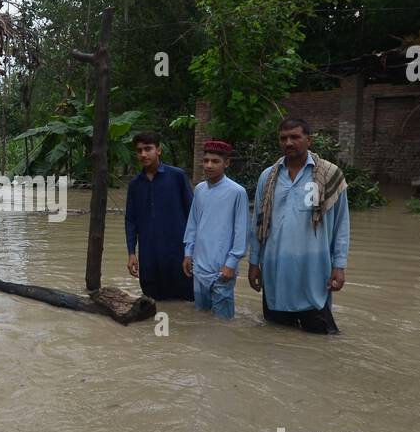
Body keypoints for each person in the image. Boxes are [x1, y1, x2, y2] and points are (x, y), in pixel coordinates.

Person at [247, 118, 350, 335]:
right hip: (276, 271)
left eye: (295, 137)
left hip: (314, 272)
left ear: (309, 140)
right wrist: (254, 263)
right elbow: (258, 223)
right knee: (277, 336)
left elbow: (341, 224)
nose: (288, 143)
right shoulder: (268, 177)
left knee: (321, 337)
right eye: (283, 138)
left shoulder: (330, 175)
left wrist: (339, 266)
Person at [181, 140, 249, 320]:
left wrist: (231, 264)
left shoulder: (237, 192)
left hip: (222, 269)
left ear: (226, 163)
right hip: (198, 266)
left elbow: (241, 232)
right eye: (206, 161)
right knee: (201, 317)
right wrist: (188, 253)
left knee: (222, 323)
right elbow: (193, 223)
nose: (209, 165)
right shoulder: (200, 189)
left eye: (215, 161)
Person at [124, 131, 194, 301]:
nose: (143, 154)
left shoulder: (177, 176)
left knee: (185, 302)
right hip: (149, 258)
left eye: (148, 149)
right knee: (152, 302)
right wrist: (131, 253)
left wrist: (191, 251)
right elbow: (131, 221)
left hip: (178, 255)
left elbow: (193, 215)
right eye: (139, 150)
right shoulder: (135, 185)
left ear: (159, 150)